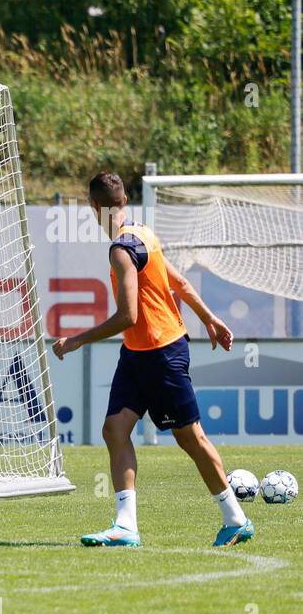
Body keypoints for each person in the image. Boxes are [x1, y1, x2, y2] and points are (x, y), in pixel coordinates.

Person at [52, 171, 252, 547]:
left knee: (190, 438)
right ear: (125, 200)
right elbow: (182, 283)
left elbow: (129, 315)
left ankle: (235, 517)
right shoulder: (145, 233)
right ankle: (126, 527)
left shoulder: (121, 251)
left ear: (94, 208)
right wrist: (209, 317)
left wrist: (77, 340)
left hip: (161, 354)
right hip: (137, 353)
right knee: (114, 429)